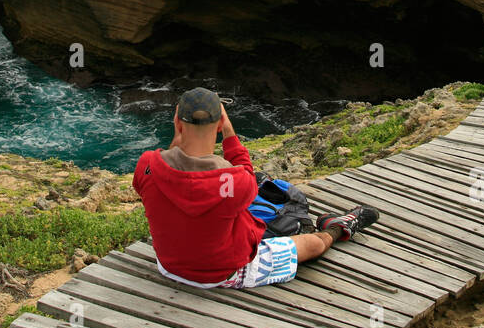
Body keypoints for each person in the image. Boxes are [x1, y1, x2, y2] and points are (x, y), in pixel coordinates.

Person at [132, 86, 379, 289]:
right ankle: (338, 228)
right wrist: (229, 133)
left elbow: (168, 170)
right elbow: (247, 175)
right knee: (313, 245)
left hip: (170, 267)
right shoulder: (233, 180)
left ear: (177, 122)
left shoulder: (147, 166)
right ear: (219, 125)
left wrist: (179, 137)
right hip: (224, 273)